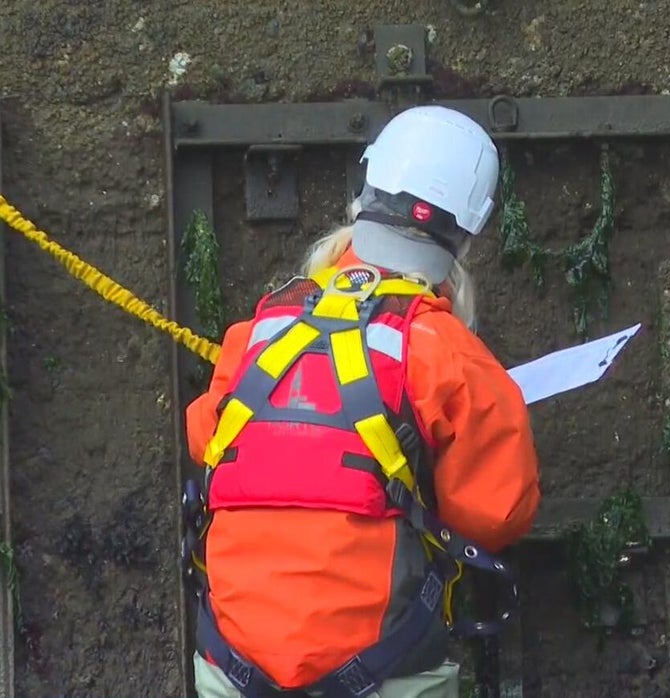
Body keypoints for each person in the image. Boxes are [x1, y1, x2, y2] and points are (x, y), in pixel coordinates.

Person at [181, 105, 541, 698]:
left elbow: (206, 439)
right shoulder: (449, 353)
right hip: (378, 672)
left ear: (361, 194)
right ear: (469, 231)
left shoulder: (259, 333)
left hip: (230, 667)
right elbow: (497, 514)